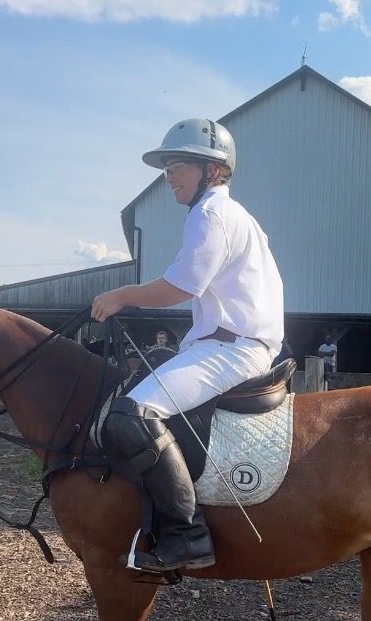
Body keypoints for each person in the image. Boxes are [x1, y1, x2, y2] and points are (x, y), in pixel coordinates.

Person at [91, 118, 284, 572]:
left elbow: (183, 285)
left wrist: (121, 296)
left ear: (211, 169)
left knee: (131, 414)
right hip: (226, 343)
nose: (169, 176)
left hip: (231, 348)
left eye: (177, 165)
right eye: (166, 168)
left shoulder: (211, 214)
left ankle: (187, 533)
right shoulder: (236, 216)